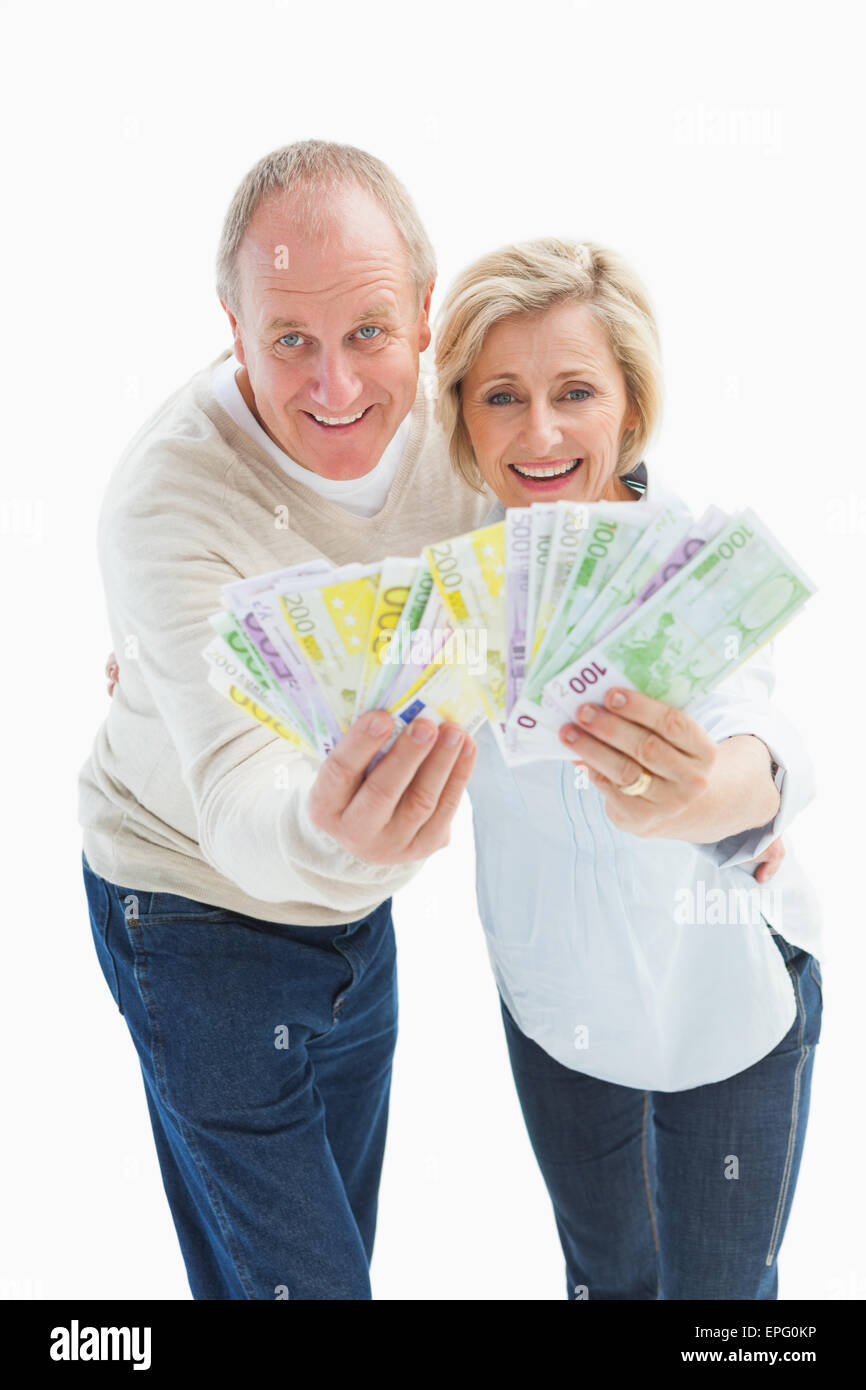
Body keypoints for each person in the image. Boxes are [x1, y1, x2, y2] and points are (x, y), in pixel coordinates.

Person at [79, 140, 492, 1301]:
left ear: (423, 312)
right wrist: (329, 832)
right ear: (232, 326)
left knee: (315, 1264)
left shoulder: (466, 421)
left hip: (358, 918)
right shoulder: (167, 500)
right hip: (191, 910)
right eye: (288, 342)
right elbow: (232, 799)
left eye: (366, 332)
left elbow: (576, 513)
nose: (334, 388)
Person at [433, 237, 822, 1299]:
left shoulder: (691, 566)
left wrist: (712, 794)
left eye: (574, 392)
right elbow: (318, 658)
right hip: (558, 1014)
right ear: (461, 415)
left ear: (628, 407)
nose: (541, 431)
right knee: (604, 1282)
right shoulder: (441, 583)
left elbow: (761, 737)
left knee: (721, 1306)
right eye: (501, 396)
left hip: (724, 1008)